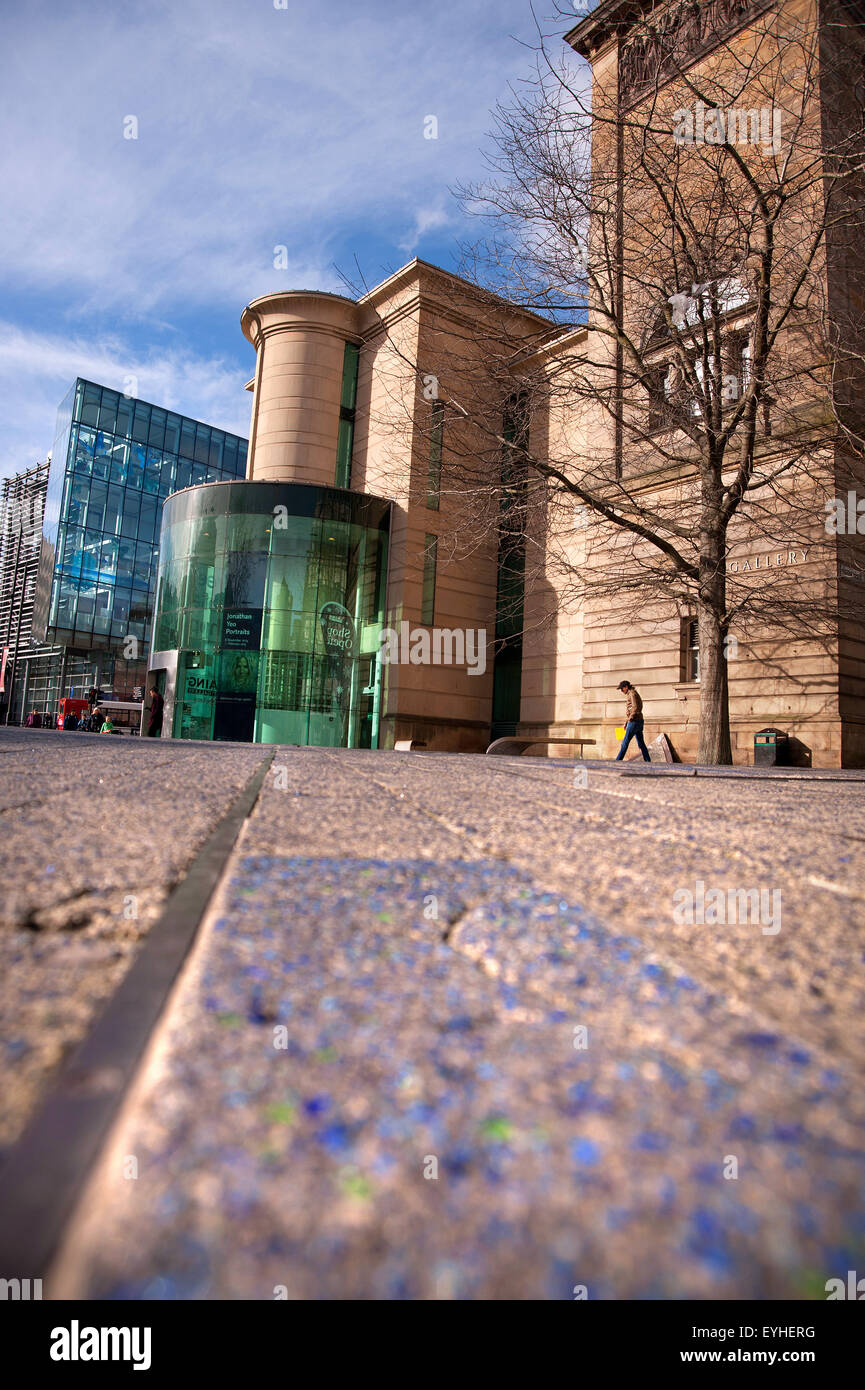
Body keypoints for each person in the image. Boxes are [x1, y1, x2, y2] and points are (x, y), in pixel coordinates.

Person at [615, 679, 651, 762]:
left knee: (625, 742)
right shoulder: (633, 693)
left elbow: (635, 707)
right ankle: (647, 760)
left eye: (622, 688)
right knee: (641, 743)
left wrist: (630, 719)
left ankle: (618, 760)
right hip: (638, 721)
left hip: (634, 721)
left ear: (626, 687)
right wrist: (627, 722)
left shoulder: (632, 694)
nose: (621, 690)